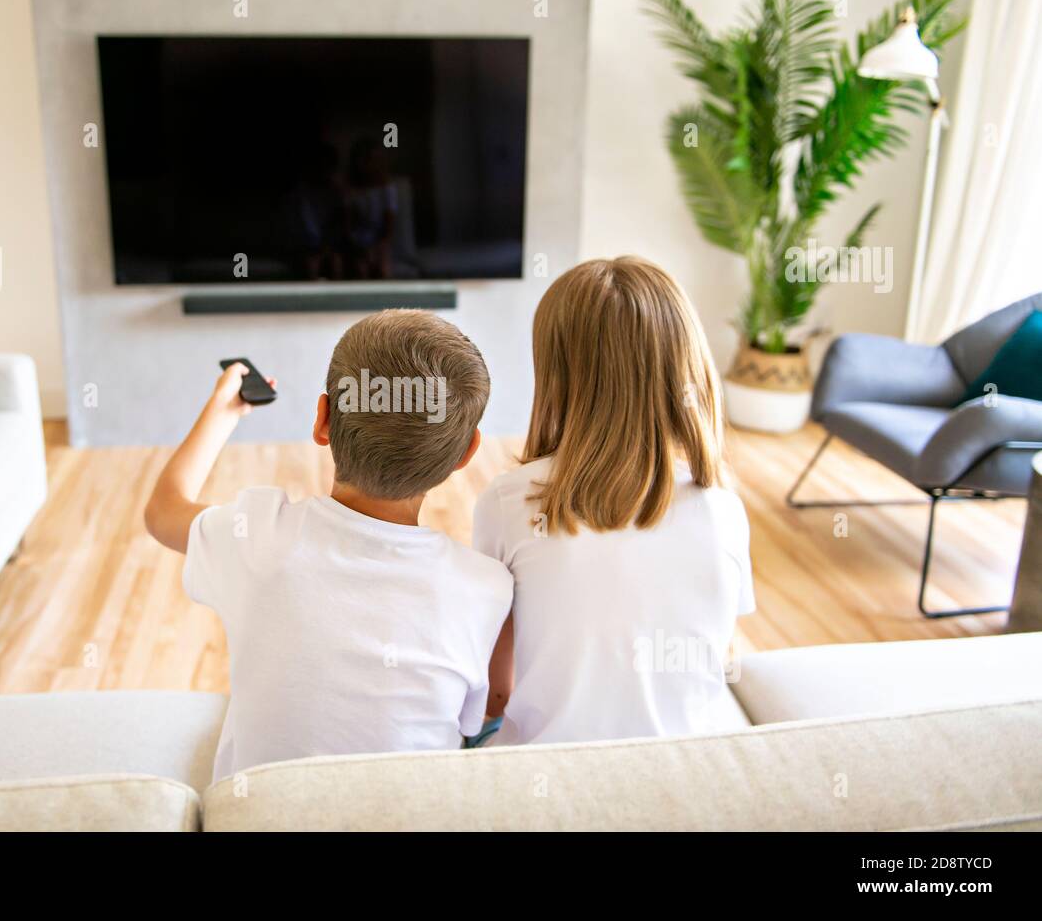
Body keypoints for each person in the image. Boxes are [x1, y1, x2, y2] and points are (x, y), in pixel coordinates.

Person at [144, 310, 511, 780]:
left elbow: (162, 510)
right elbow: (481, 717)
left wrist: (222, 412)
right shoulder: (486, 589)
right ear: (465, 454)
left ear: (322, 421)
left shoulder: (255, 537)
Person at [473, 257, 755, 747]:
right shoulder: (723, 509)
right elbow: (715, 651)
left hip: (547, 771)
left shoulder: (511, 501)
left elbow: (495, 694)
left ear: (556, 373)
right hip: (691, 764)